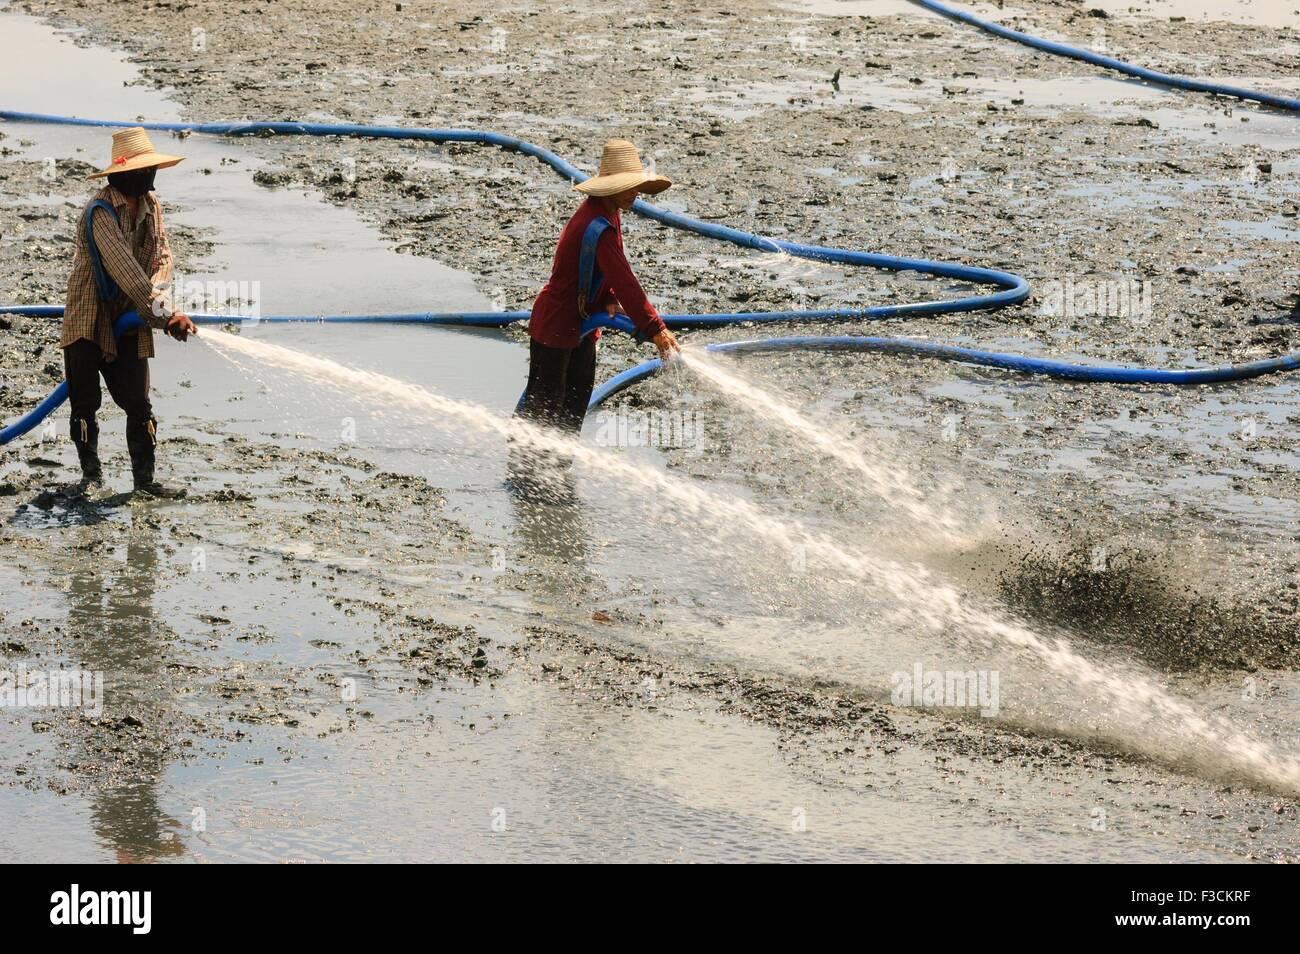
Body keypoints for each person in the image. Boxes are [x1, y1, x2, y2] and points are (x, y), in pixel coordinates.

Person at [62, 127, 197, 497]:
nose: (149, 178)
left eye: (150, 171)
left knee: (138, 403)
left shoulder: (151, 205)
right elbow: (125, 270)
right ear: (122, 174)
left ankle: (145, 482)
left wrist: (162, 305)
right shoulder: (100, 212)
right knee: (85, 403)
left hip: (134, 315)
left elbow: (162, 259)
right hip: (90, 315)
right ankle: (91, 479)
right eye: (142, 172)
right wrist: (165, 315)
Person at [520, 139, 680, 433]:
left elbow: (599, 269)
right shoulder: (596, 225)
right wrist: (654, 328)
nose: (635, 192)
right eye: (628, 186)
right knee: (541, 414)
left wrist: (605, 295)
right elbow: (624, 278)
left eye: (636, 185)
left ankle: (559, 472)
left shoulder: (608, 213)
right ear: (611, 186)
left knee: (573, 408)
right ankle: (523, 474)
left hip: (582, 323)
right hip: (556, 325)